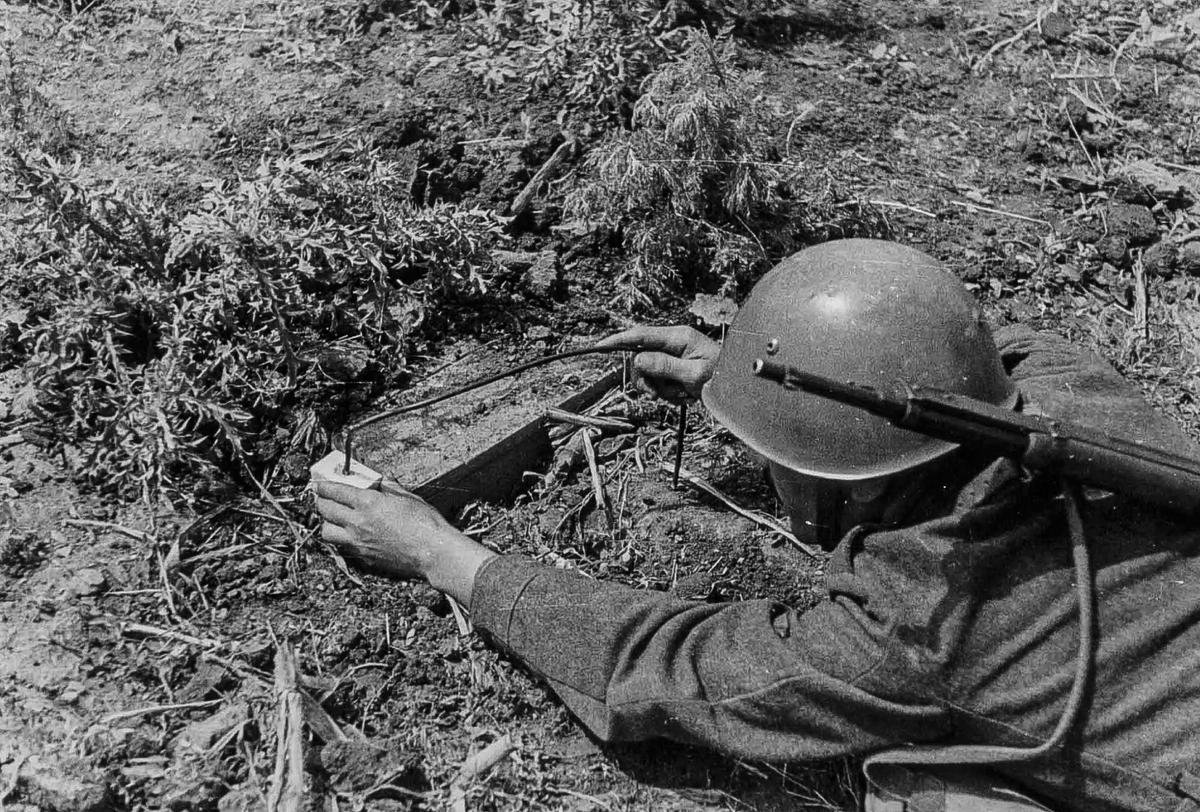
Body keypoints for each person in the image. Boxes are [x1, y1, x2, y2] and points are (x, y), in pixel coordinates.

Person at [314, 239, 1200, 812]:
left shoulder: (912, 630)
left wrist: (440, 554)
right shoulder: (1072, 390)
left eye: (778, 452)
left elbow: (670, 670)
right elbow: (927, 341)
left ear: (837, 485)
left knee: (913, 790)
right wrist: (746, 373)